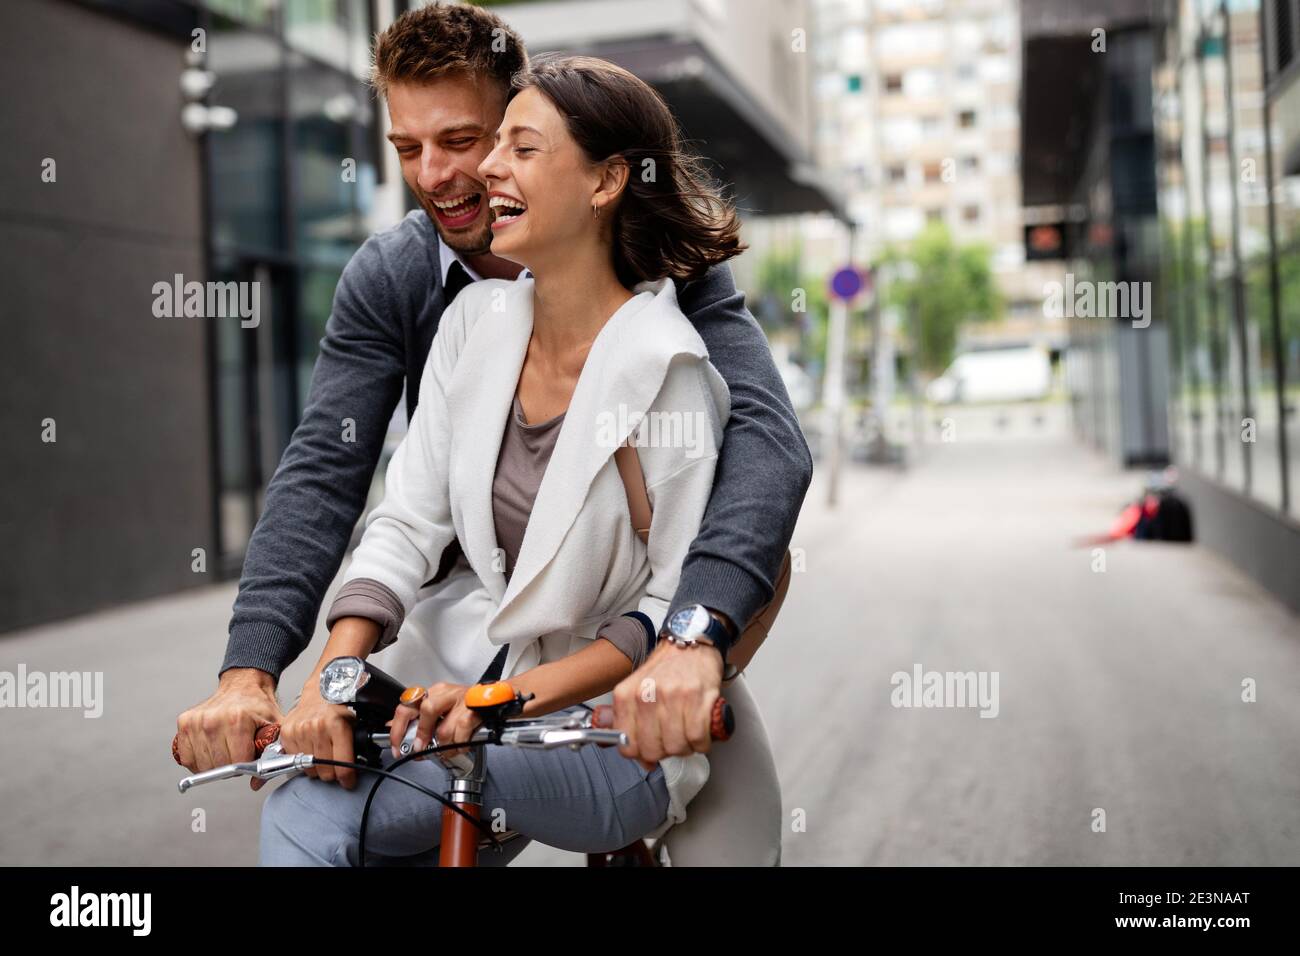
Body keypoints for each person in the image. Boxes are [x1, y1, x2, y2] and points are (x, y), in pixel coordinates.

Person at [174, 2, 808, 828]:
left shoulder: (657, 272)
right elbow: (327, 475)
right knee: (347, 805)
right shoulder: (398, 279)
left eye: (465, 142)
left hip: (644, 615)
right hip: (463, 614)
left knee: (710, 821)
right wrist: (251, 670)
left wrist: (695, 633)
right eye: (407, 149)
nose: (434, 175)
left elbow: (768, 444)